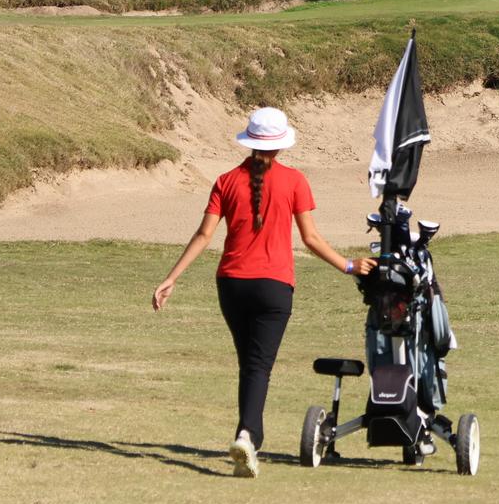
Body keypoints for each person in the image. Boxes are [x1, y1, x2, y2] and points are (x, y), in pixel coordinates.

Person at [152, 107, 375, 479]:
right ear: (280, 145)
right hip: (273, 287)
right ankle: (248, 435)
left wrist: (171, 277)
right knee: (258, 367)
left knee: (250, 365)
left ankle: (250, 435)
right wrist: (348, 266)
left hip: (232, 285)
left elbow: (204, 235)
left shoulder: (225, 180)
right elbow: (311, 238)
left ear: (250, 140)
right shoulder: (294, 181)